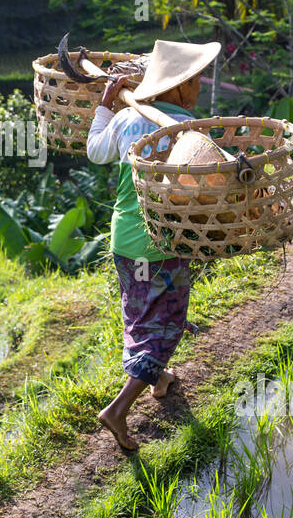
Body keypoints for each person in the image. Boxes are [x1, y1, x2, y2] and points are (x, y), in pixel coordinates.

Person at [85, 39, 221, 450]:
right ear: (179, 87)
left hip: (125, 238)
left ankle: (159, 378)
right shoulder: (190, 133)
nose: (199, 86)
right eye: (195, 79)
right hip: (164, 244)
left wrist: (106, 106)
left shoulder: (128, 120)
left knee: (139, 312)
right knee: (168, 324)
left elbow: (95, 152)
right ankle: (118, 409)